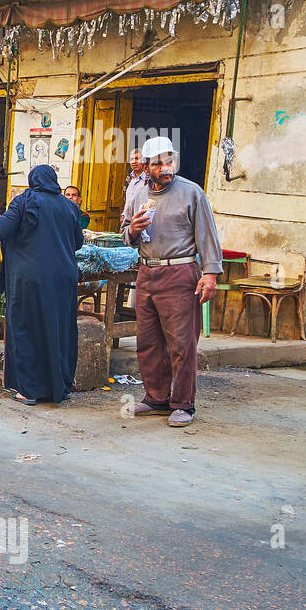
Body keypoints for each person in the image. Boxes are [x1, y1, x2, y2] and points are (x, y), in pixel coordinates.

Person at [124, 136, 222, 427]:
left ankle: (182, 404)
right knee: (148, 341)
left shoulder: (192, 193)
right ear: (146, 166)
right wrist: (132, 229)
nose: (166, 168)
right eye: (158, 164)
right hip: (146, 272)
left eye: (170, 162)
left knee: (181, 344)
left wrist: (210, 273)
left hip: (180, 273)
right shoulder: (139, 193)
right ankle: (155, 398)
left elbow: (207, 235)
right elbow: (125, 231)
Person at [0, 165, 85, 405]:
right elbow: (78, 242)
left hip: (30, 278)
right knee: (58, 329)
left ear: (33, 181)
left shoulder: (24, 201)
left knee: (27, 327)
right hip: (63, 278)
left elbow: (0, 232)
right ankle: (60, 388)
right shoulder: (69, 206)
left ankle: (30, 390)